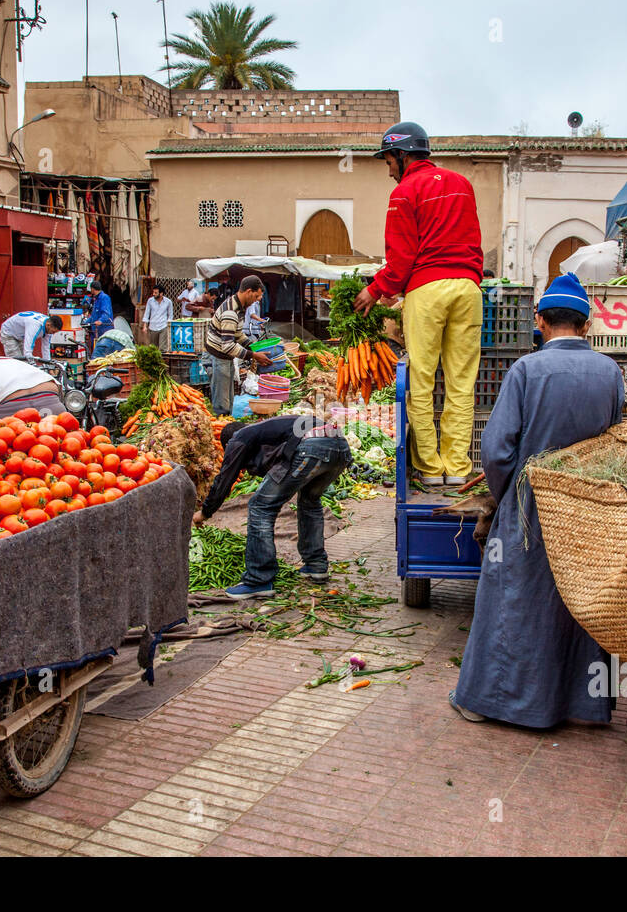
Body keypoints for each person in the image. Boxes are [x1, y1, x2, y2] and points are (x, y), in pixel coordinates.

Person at [450, 273, 625, 727]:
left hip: (530, 505)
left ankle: (489, 701)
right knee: (579, 602)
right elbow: (616, 443)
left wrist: (506, 493)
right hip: (589, 509)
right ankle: (580, 705)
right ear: (586, 326)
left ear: (541, 321)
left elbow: (496, 448)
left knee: (513, 598)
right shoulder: (610, 372)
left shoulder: (526, 370)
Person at [352, 121, 483, 486]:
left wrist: (375, 290)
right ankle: (457, 470)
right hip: (469, 290)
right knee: (461, 383)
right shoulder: (462, 185)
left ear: (402, 154)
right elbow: (473, 241)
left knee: (422, 382)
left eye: (389, 161)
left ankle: (430, 469)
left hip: (428, 290)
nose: (389, 169)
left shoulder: (405, 192)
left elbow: (401, 258)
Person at [193, 416, 352, 598]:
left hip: (312, 445)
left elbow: (224, 479)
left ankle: (259, 579)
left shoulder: (238, 438)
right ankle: (316, 565)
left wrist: (205, 512)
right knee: (310, 501)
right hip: (339, 444)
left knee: (260, 506)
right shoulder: (265, 432)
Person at [204, 275, 273, 416]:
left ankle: (225, 424)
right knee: (222, 405)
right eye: (256, 296)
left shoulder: (240, 307)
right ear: (248, 291)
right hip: (218, 356)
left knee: (228, 399)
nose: (258, 300)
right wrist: (253, 355)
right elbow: (228, 346)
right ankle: (220, 429)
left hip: (225, 356)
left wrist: (253, 346)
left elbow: (238, 334)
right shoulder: (231, 312)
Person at [143, 284, 173, 352]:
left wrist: (168, 325)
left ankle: (162, 361)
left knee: (163, 348)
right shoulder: (150, 301)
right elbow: (147, 313)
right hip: (153, 327)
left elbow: (170, 315)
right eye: (153, 292)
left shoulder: (168, 302)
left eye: (156, 293)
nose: (153, 294)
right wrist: (145, 326)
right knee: (153, 347)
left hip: (163, 326)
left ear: (161, 293)